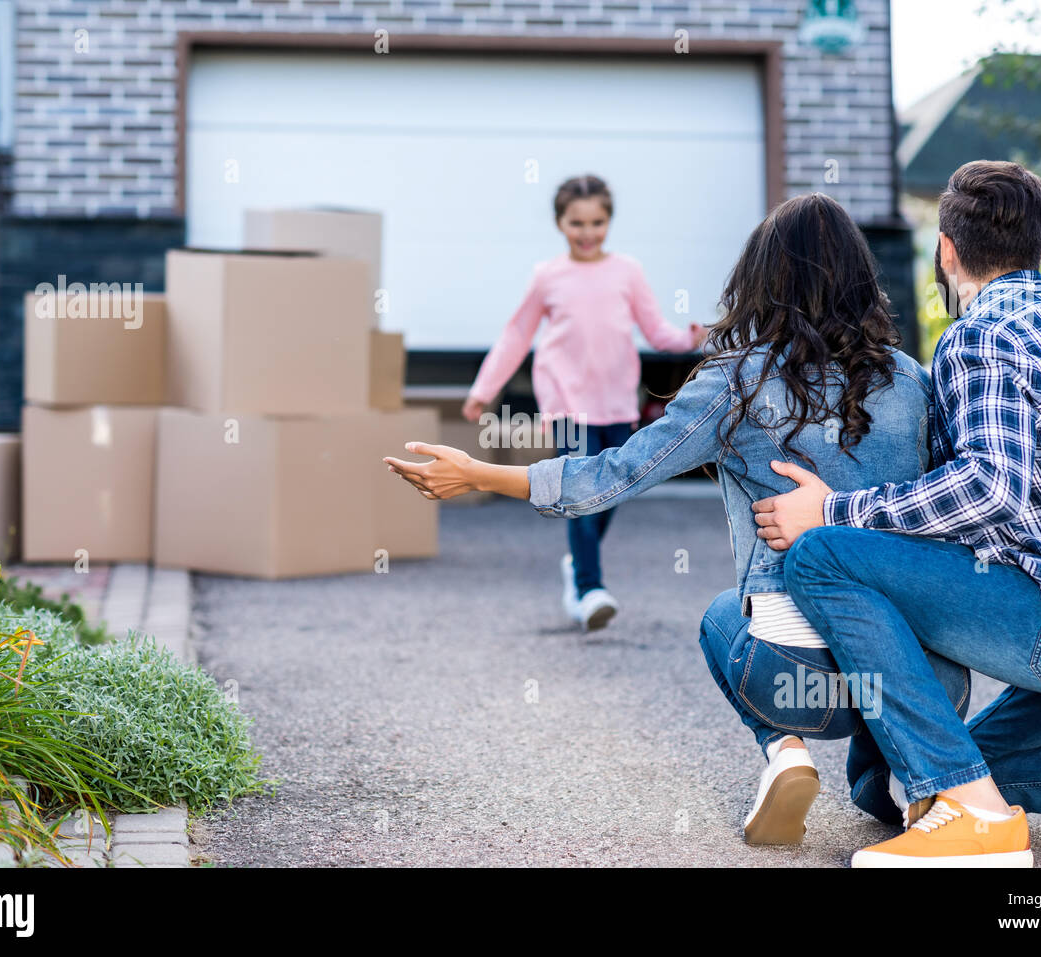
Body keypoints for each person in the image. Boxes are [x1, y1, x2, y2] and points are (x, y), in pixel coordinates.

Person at [386, 192, 968, 845]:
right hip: (921, 684)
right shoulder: (916, 381)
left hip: (796, 682)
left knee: (723, 614)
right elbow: (951, 509)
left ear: (763, 279)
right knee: (897, 633)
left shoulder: (737, 382)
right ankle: (910, 778)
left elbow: (616, 473)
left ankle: (786, 752)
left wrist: (481, 471)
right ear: (864, 280)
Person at [754, 160, 1041, 867]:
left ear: (948, 251)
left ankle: (973, 820)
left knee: (820, 555)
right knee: (934, 774)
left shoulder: (977, 336)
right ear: (1038, 245)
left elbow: (990, 488)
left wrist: (832, 505)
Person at [461, 174, 704, 631]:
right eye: (577, 223)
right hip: (566, 401)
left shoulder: (627, 271)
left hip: (617, 402)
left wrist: (688, 337)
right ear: (560, 223)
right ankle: (590, 587)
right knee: (577, 482)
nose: (587, 232)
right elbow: (517, 334)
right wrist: (483, 389)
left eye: (597, 222)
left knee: (610, 489)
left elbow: (655, 331)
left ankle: (576, 566)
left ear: (609, 221)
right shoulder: (547, 276)